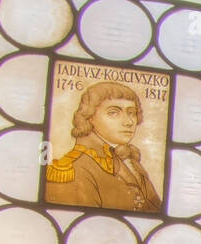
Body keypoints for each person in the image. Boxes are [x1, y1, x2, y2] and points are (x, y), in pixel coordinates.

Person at [45, 81, 162, 212]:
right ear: (89, 117)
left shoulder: (129, 160)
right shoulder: (75, 168)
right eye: (114, 113)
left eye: (131, 113)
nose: (129, 122)